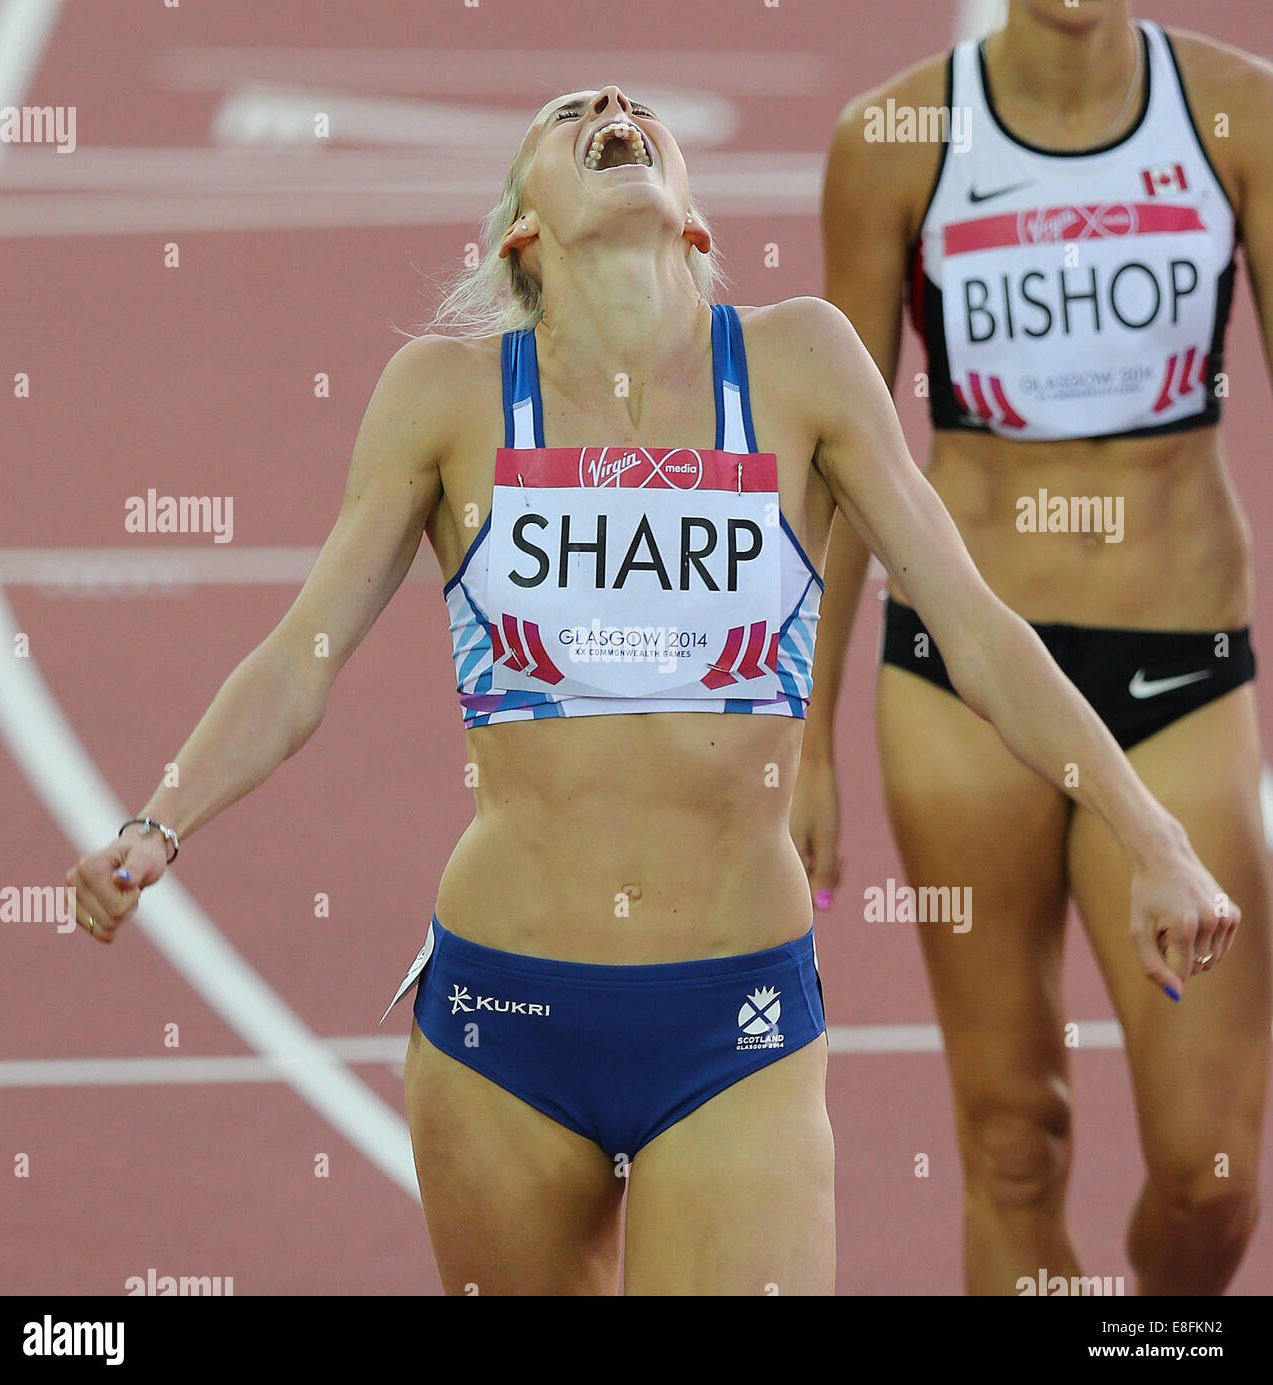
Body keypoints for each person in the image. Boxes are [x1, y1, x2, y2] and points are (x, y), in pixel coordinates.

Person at [68, 82, 1238, 1296]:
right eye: (570, 114)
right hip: (502, 1023)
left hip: (733, 1024)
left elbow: (982, 637)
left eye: (631, 114)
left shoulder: (800, 365)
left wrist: (1152, 834)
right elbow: (301, 657)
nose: (612, 105)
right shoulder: (447, 394)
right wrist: (159, 822)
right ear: (524, 226)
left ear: (694, 225)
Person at [795, 0, 1271, 1294]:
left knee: (1212, 1170)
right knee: (1014, 1139)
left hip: (1179, 678)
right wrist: (805, 741)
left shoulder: (1241, 113)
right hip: (966, 690)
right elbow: (839, 465)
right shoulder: (893, 137)